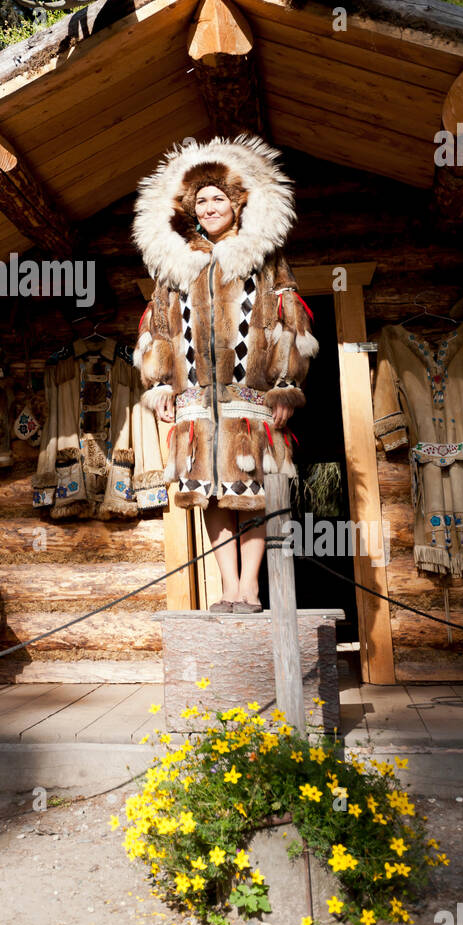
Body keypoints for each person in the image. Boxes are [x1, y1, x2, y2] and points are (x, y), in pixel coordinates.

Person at [132, 134, 317, 612]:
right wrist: (160, 386)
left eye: (218, 199)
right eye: (202, 201)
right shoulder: (176, 263)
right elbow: (160, 327)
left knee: (252, 496)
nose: (210, 207)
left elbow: (289, 322)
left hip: (250, 400)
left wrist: (285, 387)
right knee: (212, 496)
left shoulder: (264, 258)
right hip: (196, 403)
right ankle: (227, 589)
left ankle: (252, 588)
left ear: (237, 204)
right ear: (192, 209)